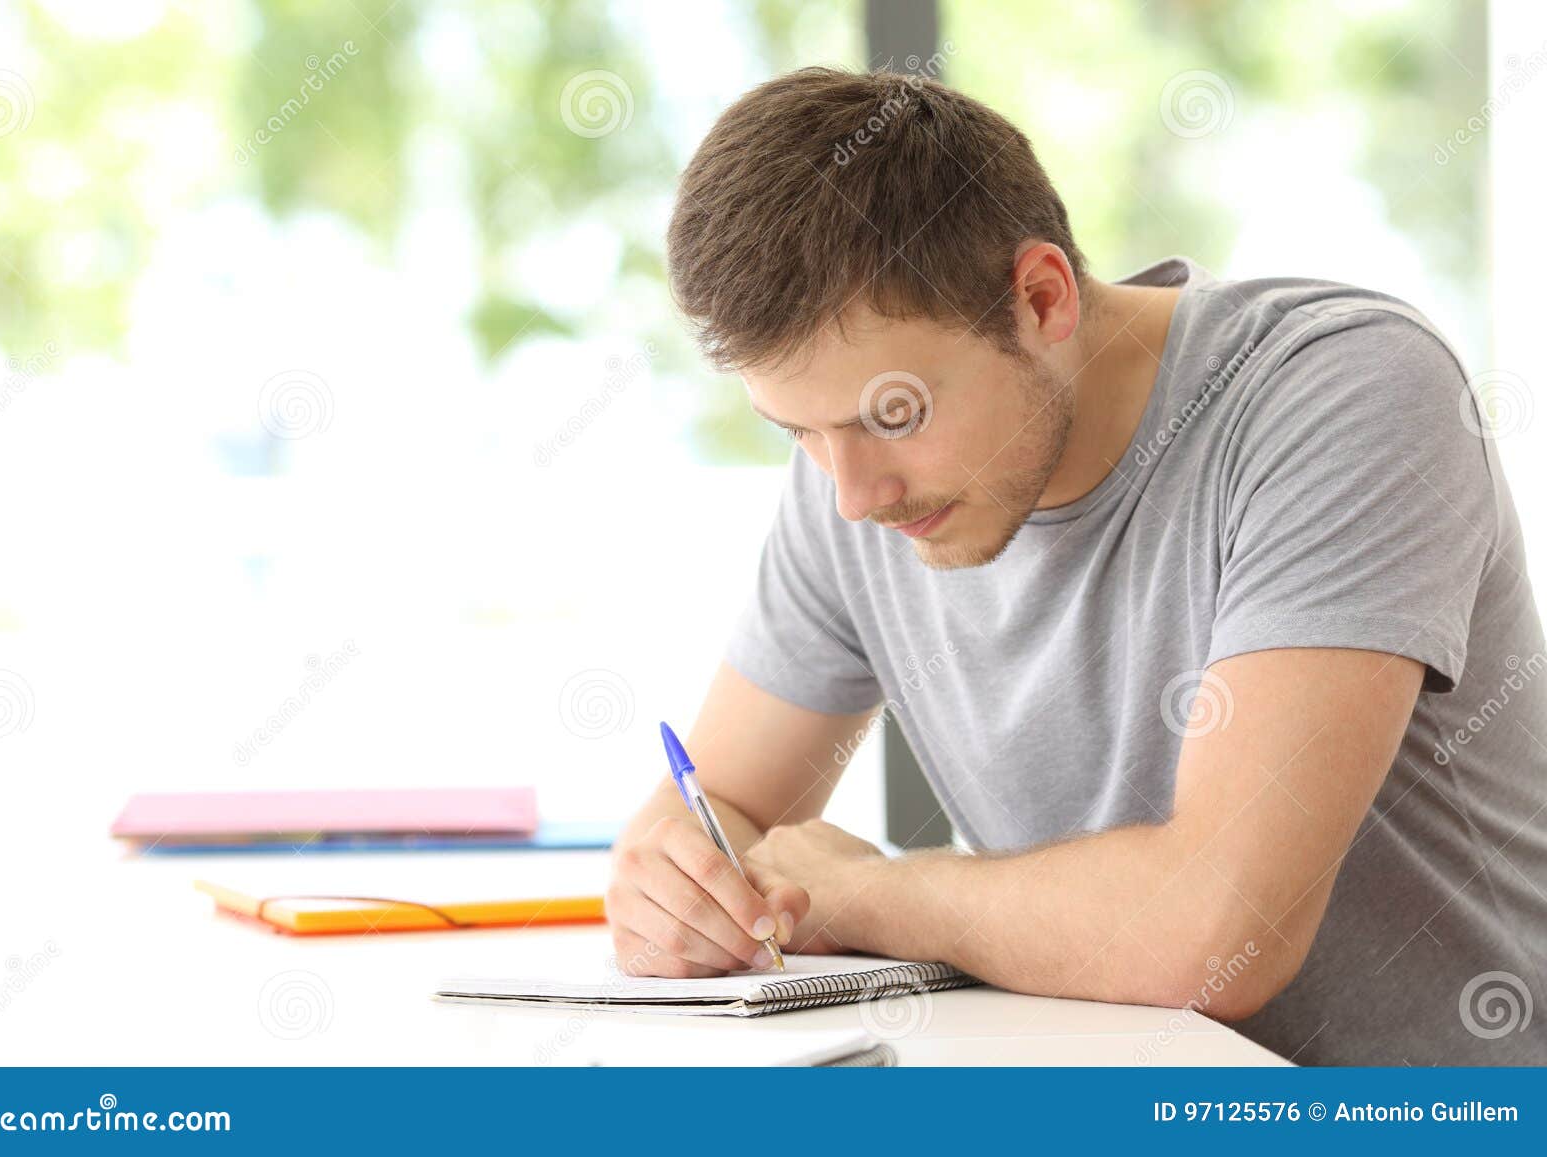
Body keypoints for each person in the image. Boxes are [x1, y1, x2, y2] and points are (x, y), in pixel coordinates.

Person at [606, 67, 1547, 1065]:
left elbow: (1217, 932)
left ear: (1041, 298)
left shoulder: (1343, 394)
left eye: (894, 413)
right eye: (797, 431)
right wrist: (669, 877)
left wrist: (858, 889)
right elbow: (726, 809)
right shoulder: (860, 478)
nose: (851, 495)